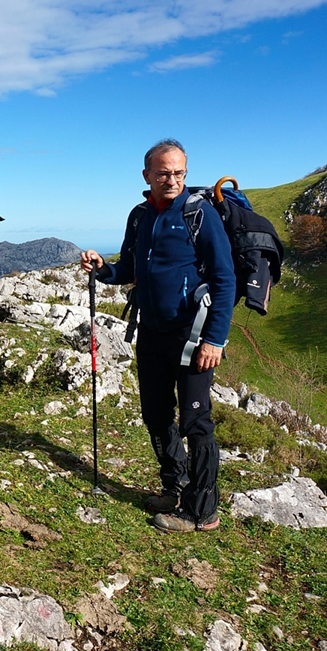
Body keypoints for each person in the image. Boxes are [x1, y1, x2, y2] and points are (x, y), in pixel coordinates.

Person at [80, 139, 236, 533]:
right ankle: (175, 486)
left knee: (196, 420)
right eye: (164, 173)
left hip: (192, 333)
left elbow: (224, 278)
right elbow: (130, 267)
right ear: (147, 175)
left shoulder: (200, 215)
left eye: (179, 173)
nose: (172, 180)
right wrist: (103, 269)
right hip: (150, 330)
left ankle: (202, 511)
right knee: (155, 413)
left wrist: (215, 339)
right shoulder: (140, 216)